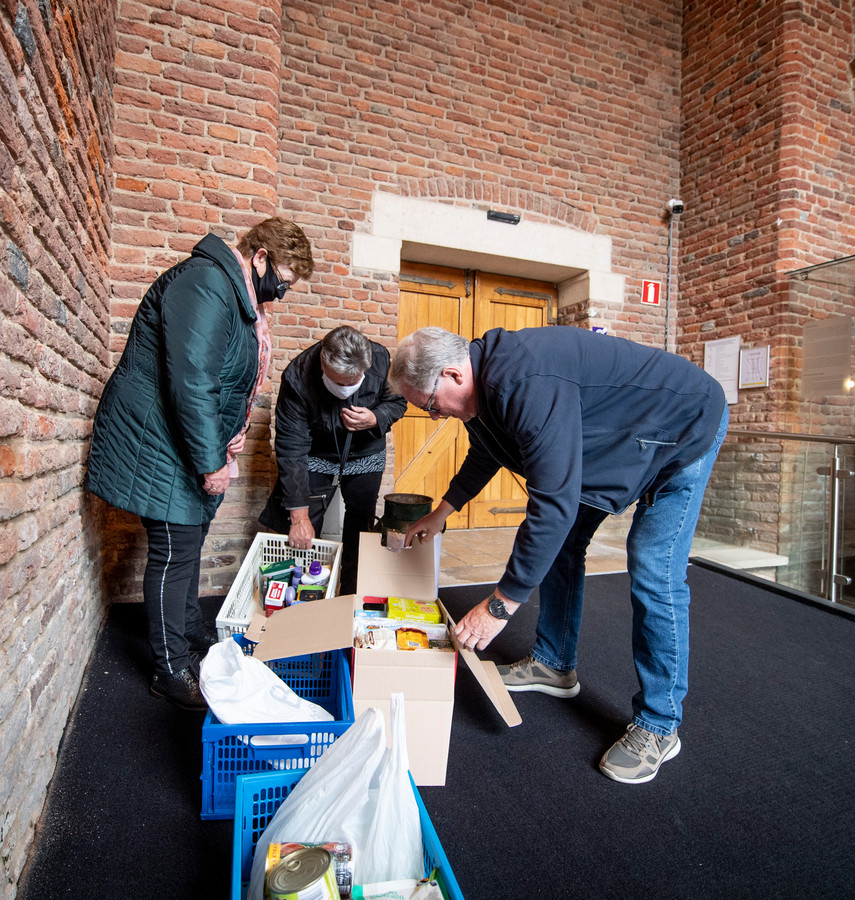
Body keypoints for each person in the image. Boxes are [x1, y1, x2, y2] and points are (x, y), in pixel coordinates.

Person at [388, 325, 728, 784]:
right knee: (564, 545)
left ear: (452, 374)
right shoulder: (482, 387)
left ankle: (659, 724)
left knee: (653, 571)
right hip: (624, 436)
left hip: (685, 426)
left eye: (429, 406)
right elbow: (486, 453)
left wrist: (499, 606)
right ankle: (554, 663)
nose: (434, 416)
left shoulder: (525, 381)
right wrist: (443, 511)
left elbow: (552, 504)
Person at [85, 217, 314, 710]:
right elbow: (192, 381)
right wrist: (212, 461)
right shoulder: (207, 281)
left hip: (184, 441)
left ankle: (189, 636)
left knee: (187, 544)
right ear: (259, 258)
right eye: (284, 279)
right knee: (173, 549)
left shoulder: (235, 294)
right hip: (161, 439)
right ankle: (169, 669)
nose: (282, 292)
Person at [258, 326, 407, 593]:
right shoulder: (298, 376)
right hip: (316, 453)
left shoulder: (381, 358)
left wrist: (376, 418)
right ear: (323, 364)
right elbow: (292, 448)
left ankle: (351, 593)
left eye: (354, 382)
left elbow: (397, 402)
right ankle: (303, 593)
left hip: (366, 452)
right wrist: (298, 517)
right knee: (302, 528)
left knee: (361, 526)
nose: (346, 390)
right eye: (339, 383)